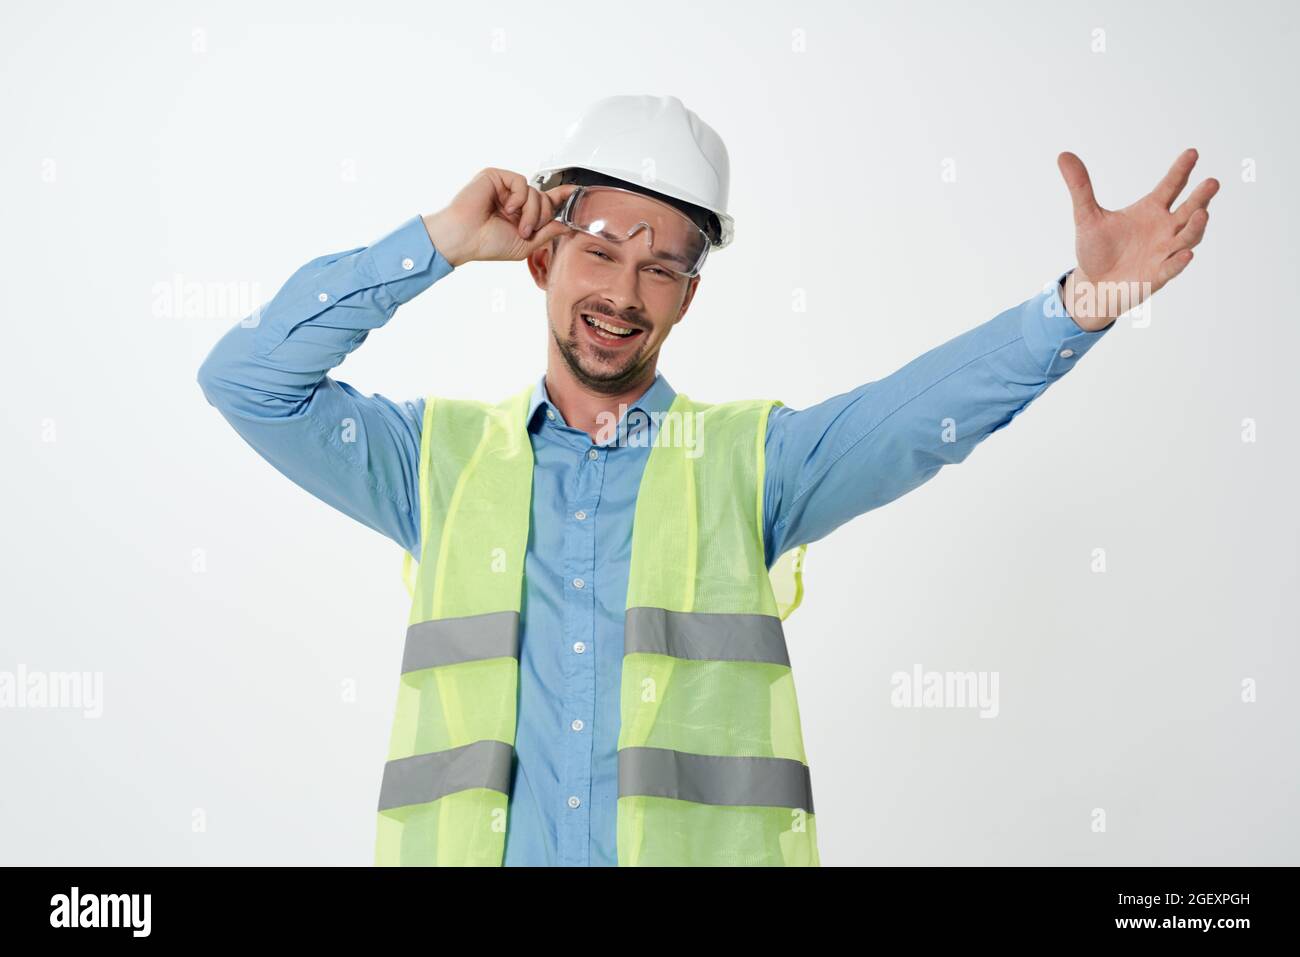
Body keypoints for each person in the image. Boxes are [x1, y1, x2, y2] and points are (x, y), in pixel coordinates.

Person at [196, 94, 1218, 866]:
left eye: (663, 266)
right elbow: (245, 380)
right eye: (600, 250)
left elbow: (917, 415)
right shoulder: (435, 465)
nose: (624, 292)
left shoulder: (752, 466)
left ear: (688, 298)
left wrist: (1086, 300)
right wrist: (434, 244)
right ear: (542, 257)